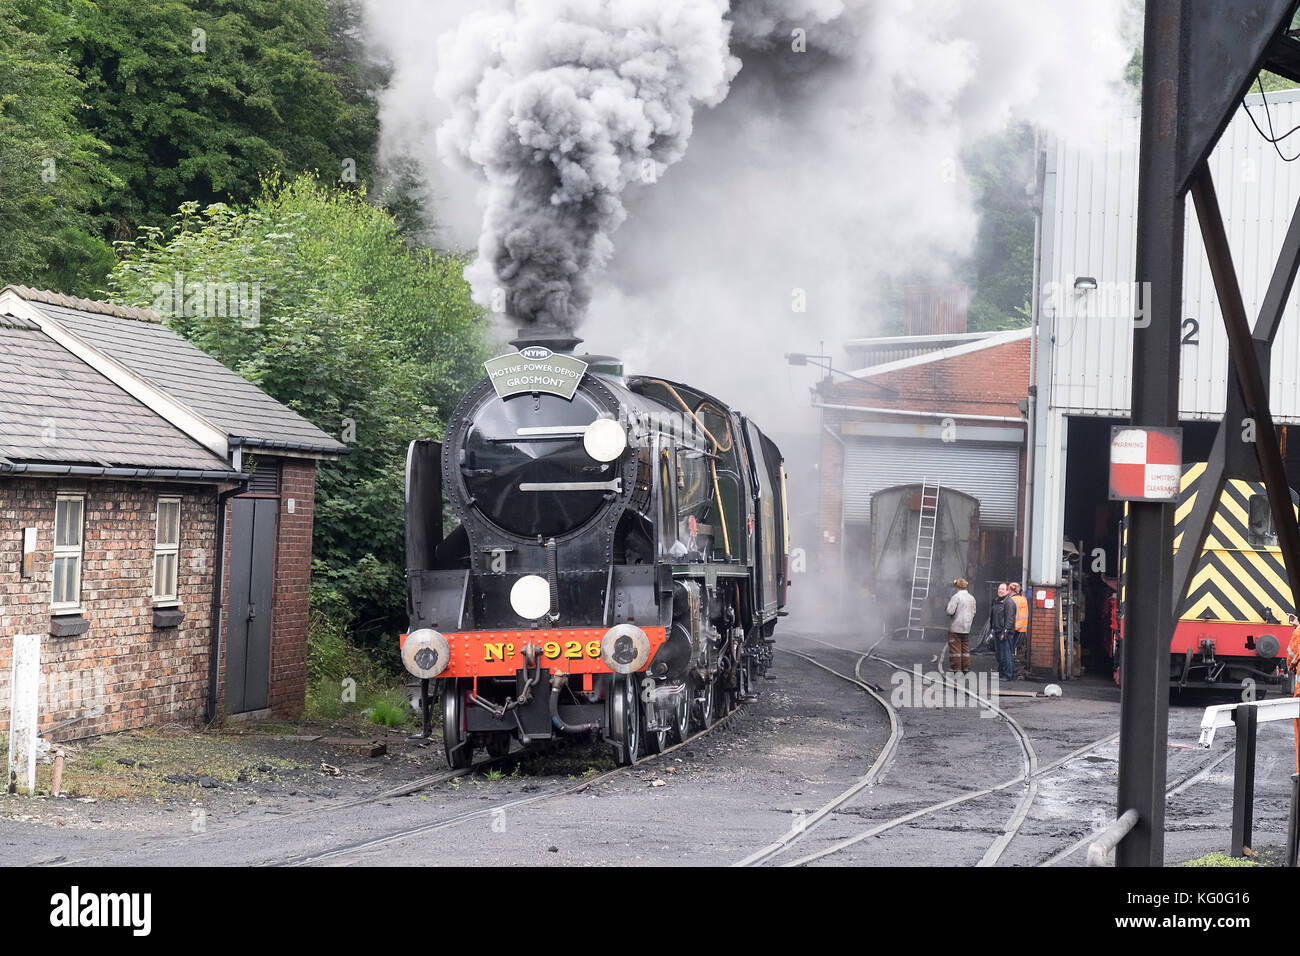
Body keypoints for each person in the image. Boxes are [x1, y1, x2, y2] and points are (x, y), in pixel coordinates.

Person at [946, 577, 977, 672]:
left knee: (955, 649)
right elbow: (974, 612)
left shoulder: (956, 597)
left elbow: (950, 611)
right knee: (965, 648)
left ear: (957, 587)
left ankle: (956, 668)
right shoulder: (972, 598)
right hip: (966, 628)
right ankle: (966, 667)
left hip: (956, 627)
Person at [994, 582, 1017, 682]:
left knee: (1006, 654)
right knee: (1000, 654)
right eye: (999, 589)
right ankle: (1002, 673)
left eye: (1003, 589)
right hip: (997, 630)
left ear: (1008, 591)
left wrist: (1005, 632)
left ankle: (1008, 675)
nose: (1000, 590)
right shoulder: (998, 601)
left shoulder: (1009, 603)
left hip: (1005, 633)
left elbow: (1010, 619)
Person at [1008, 582, 1030, 677]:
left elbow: (1009, 615)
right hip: (1020, 628)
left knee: (1007, 651)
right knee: (1012, 651)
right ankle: (1011, 671)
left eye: (1008, 588)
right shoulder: (1023, 599)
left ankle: (1009, 671)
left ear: (1012, 589)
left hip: (1011, 628)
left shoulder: (1012, 600)